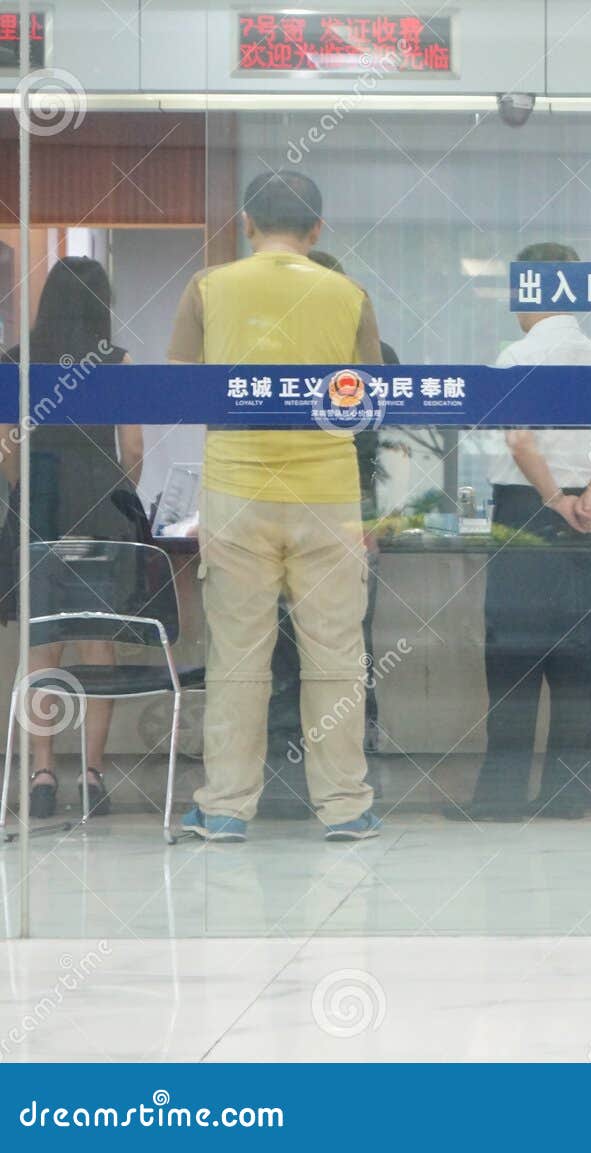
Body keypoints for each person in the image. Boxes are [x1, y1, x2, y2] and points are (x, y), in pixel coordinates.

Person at [167, 170, 382, 843]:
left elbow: (178, 388)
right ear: (317, 230)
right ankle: (346, 806)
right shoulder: (350, 294)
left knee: (238, 656)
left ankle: (227, 805)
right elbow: (371, 397)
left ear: (247, 223)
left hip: (237, 492)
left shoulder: (208, 287)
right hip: (329, 498)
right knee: (337, 657)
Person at [456, 242, 591, 821]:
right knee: (579, 664)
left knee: (513, 660)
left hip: (526, 518)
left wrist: (553, 499)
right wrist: (589, 500)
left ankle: (501, 798)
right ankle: (567, 797)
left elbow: (519, 440)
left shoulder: (517, 356)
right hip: (586, 522)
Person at [0, 257, 143, 819]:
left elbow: (6, 449)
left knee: (42, 647)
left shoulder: (15, 361)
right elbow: (132, 449)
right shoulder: (116, 362)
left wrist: (26, 491)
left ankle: (40, 775)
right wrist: (116, 496)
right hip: (100, 511)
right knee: (96, 645)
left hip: (40, 508)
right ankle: (91, 776)